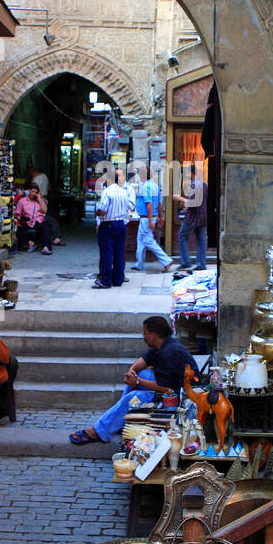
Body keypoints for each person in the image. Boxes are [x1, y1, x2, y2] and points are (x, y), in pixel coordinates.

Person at [69, 315, 198, 444]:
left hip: (179, 398)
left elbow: (166, 388)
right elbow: (144, 361)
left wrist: (137, 381)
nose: (143, 337)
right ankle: (123, 419)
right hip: (168, 385)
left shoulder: (170, 352)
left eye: (145, 333)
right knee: (142, 374)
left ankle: (99, 431)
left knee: (135, 396)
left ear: (154, 335)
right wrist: (132, 372)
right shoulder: (162, 344)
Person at [93, 165, 133, 289]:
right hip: (121, 223)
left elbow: (103, 209)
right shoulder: (123, 192)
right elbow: (129, 207)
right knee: (119, 253)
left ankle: (106, 281)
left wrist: (97, 213)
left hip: (108, 224)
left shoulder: (107, 192)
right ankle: (118, 279)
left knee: (107, 253)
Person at [130, 162, 172, 273]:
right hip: (150, 217)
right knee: (141, 241)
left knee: (148, 241)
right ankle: (139, 264)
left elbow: (149, 204)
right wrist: (160, 216)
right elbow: (158, 203)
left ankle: (166, 261)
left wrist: (150, 221)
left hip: (146, 218)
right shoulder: (154, 185)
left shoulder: (146, 187)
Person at [173, 162, 208, 273]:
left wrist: (179, 198)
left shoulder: (194, 185)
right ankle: (201, 264)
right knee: (201, 240)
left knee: (182, 236)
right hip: (202, 216)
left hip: (193, 217)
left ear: (191, 173)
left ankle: (185, 262)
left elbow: (193, 203)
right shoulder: (203, 184)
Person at [15, 182, 52, 254]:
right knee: (19, 228)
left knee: (46, 227)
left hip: (38, 220)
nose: (34, 194)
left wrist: (39, 199)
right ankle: (30, 243)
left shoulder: (40, 200)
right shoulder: (22, 201)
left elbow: (44, 211)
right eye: (32, 191)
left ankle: (46, 247)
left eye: (36, 192)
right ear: (29, 191)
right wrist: (21, 218)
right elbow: (17, 214)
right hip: (27, 221)